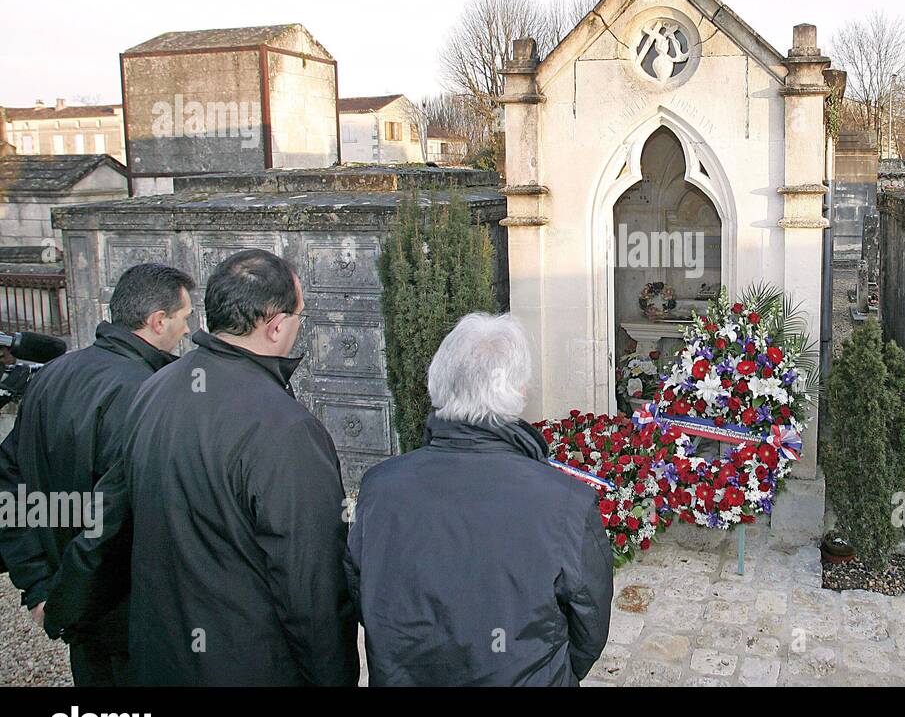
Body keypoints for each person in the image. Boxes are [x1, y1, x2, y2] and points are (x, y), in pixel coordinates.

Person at [120, 248, 357, 685]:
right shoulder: (285, 429)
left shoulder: (151, 389)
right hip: (250, 668)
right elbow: (311, 588)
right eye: (299, 315)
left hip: (160, 660)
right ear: (277, 326)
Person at [347, 312, 613, 686]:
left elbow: (363, 595)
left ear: (439, 383)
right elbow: (590, 624)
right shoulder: (565, 502)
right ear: (518, 392)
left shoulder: (380, 487)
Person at [0, 263, 195, 685]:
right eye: (184, 318)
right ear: (158, 320)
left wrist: (41, 586)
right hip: (130, 615)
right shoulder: (148, 393)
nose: (187, 331)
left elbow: (9, 485)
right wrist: (57, 599)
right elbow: (113, 520)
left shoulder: (53, 375)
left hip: (79, 611)